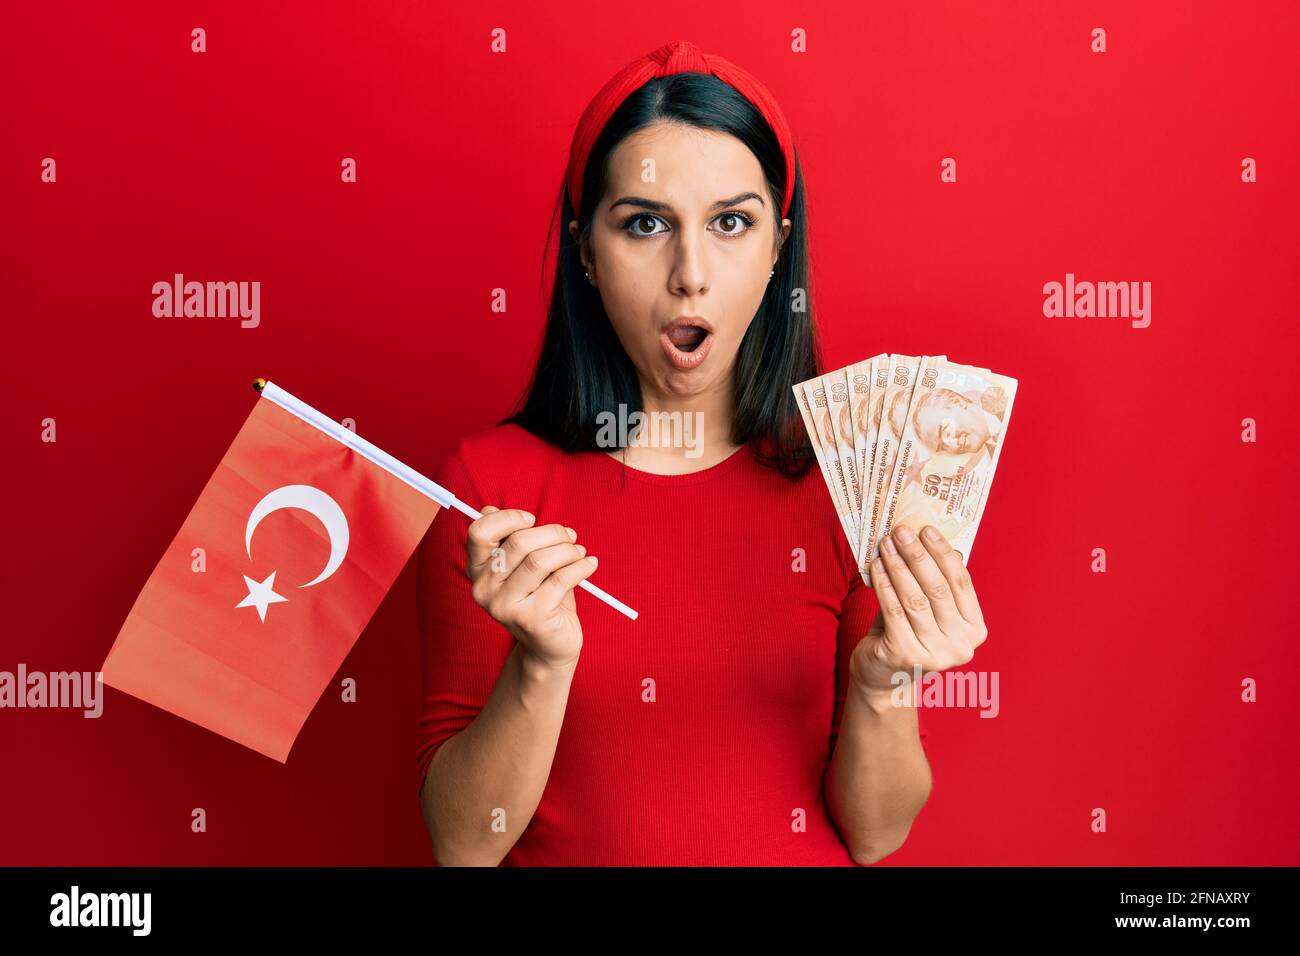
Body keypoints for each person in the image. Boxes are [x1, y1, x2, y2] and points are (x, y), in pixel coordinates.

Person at [416, 39, 989, 866]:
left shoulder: (853, 481)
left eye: (731, 223)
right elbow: (465, 847)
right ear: (585, 251)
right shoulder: (491, 492)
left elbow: (877, 834)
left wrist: (883, 681)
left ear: (775, 249)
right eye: (645, 224)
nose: (691, 273)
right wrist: (541, 667)